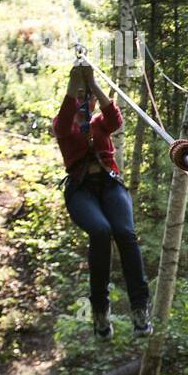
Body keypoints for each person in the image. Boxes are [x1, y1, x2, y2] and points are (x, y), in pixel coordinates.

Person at [52, 61, 152, 340]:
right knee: (100, 231)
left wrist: (93, 83)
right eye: (80, 97)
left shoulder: (100, 124)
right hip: (80, 190)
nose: (85, 101)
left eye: (89, 98)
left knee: (125, 233)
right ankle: (100, 313)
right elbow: (63, 124)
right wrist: (75, 83)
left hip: (110, 185)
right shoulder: (63, 126)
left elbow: (115, 119)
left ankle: (140, 309)